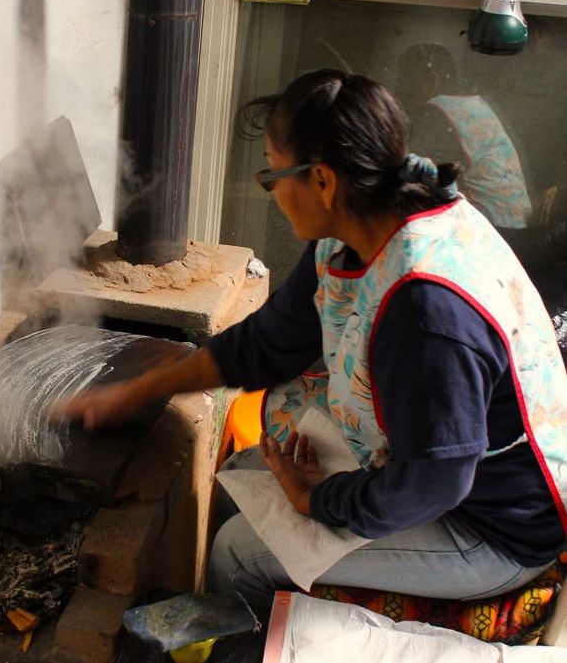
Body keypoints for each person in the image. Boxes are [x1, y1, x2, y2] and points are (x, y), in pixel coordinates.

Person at [59, 69, 567, 613]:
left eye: (274, 176)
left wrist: (320, 500)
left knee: (240, 554)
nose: (273, 191)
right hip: (431, 465)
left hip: (495, 525)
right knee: (236, 485)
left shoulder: (426, 309)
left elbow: (435, 483)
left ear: (323, 181)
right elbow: (267, 343)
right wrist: (141, 391)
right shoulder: (360, 226)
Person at [395, 43, 533, 231]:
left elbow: (409, 172)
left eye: (405, 84)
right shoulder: (478, 102)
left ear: (432, 81)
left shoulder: (436, 111)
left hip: (492, 224)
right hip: (516, 220)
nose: (400, 93)